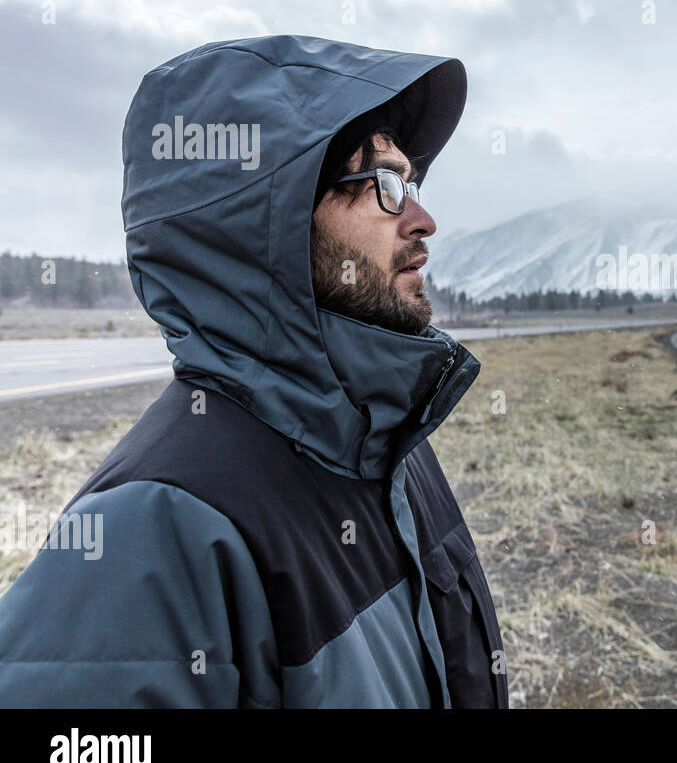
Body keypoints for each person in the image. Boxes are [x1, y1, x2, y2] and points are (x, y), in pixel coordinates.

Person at [0, 35, 507, 708]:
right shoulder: (153, 532)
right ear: (272, 218)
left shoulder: (384, 440)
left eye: (410, 182)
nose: (422, 218)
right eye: (385, 184)